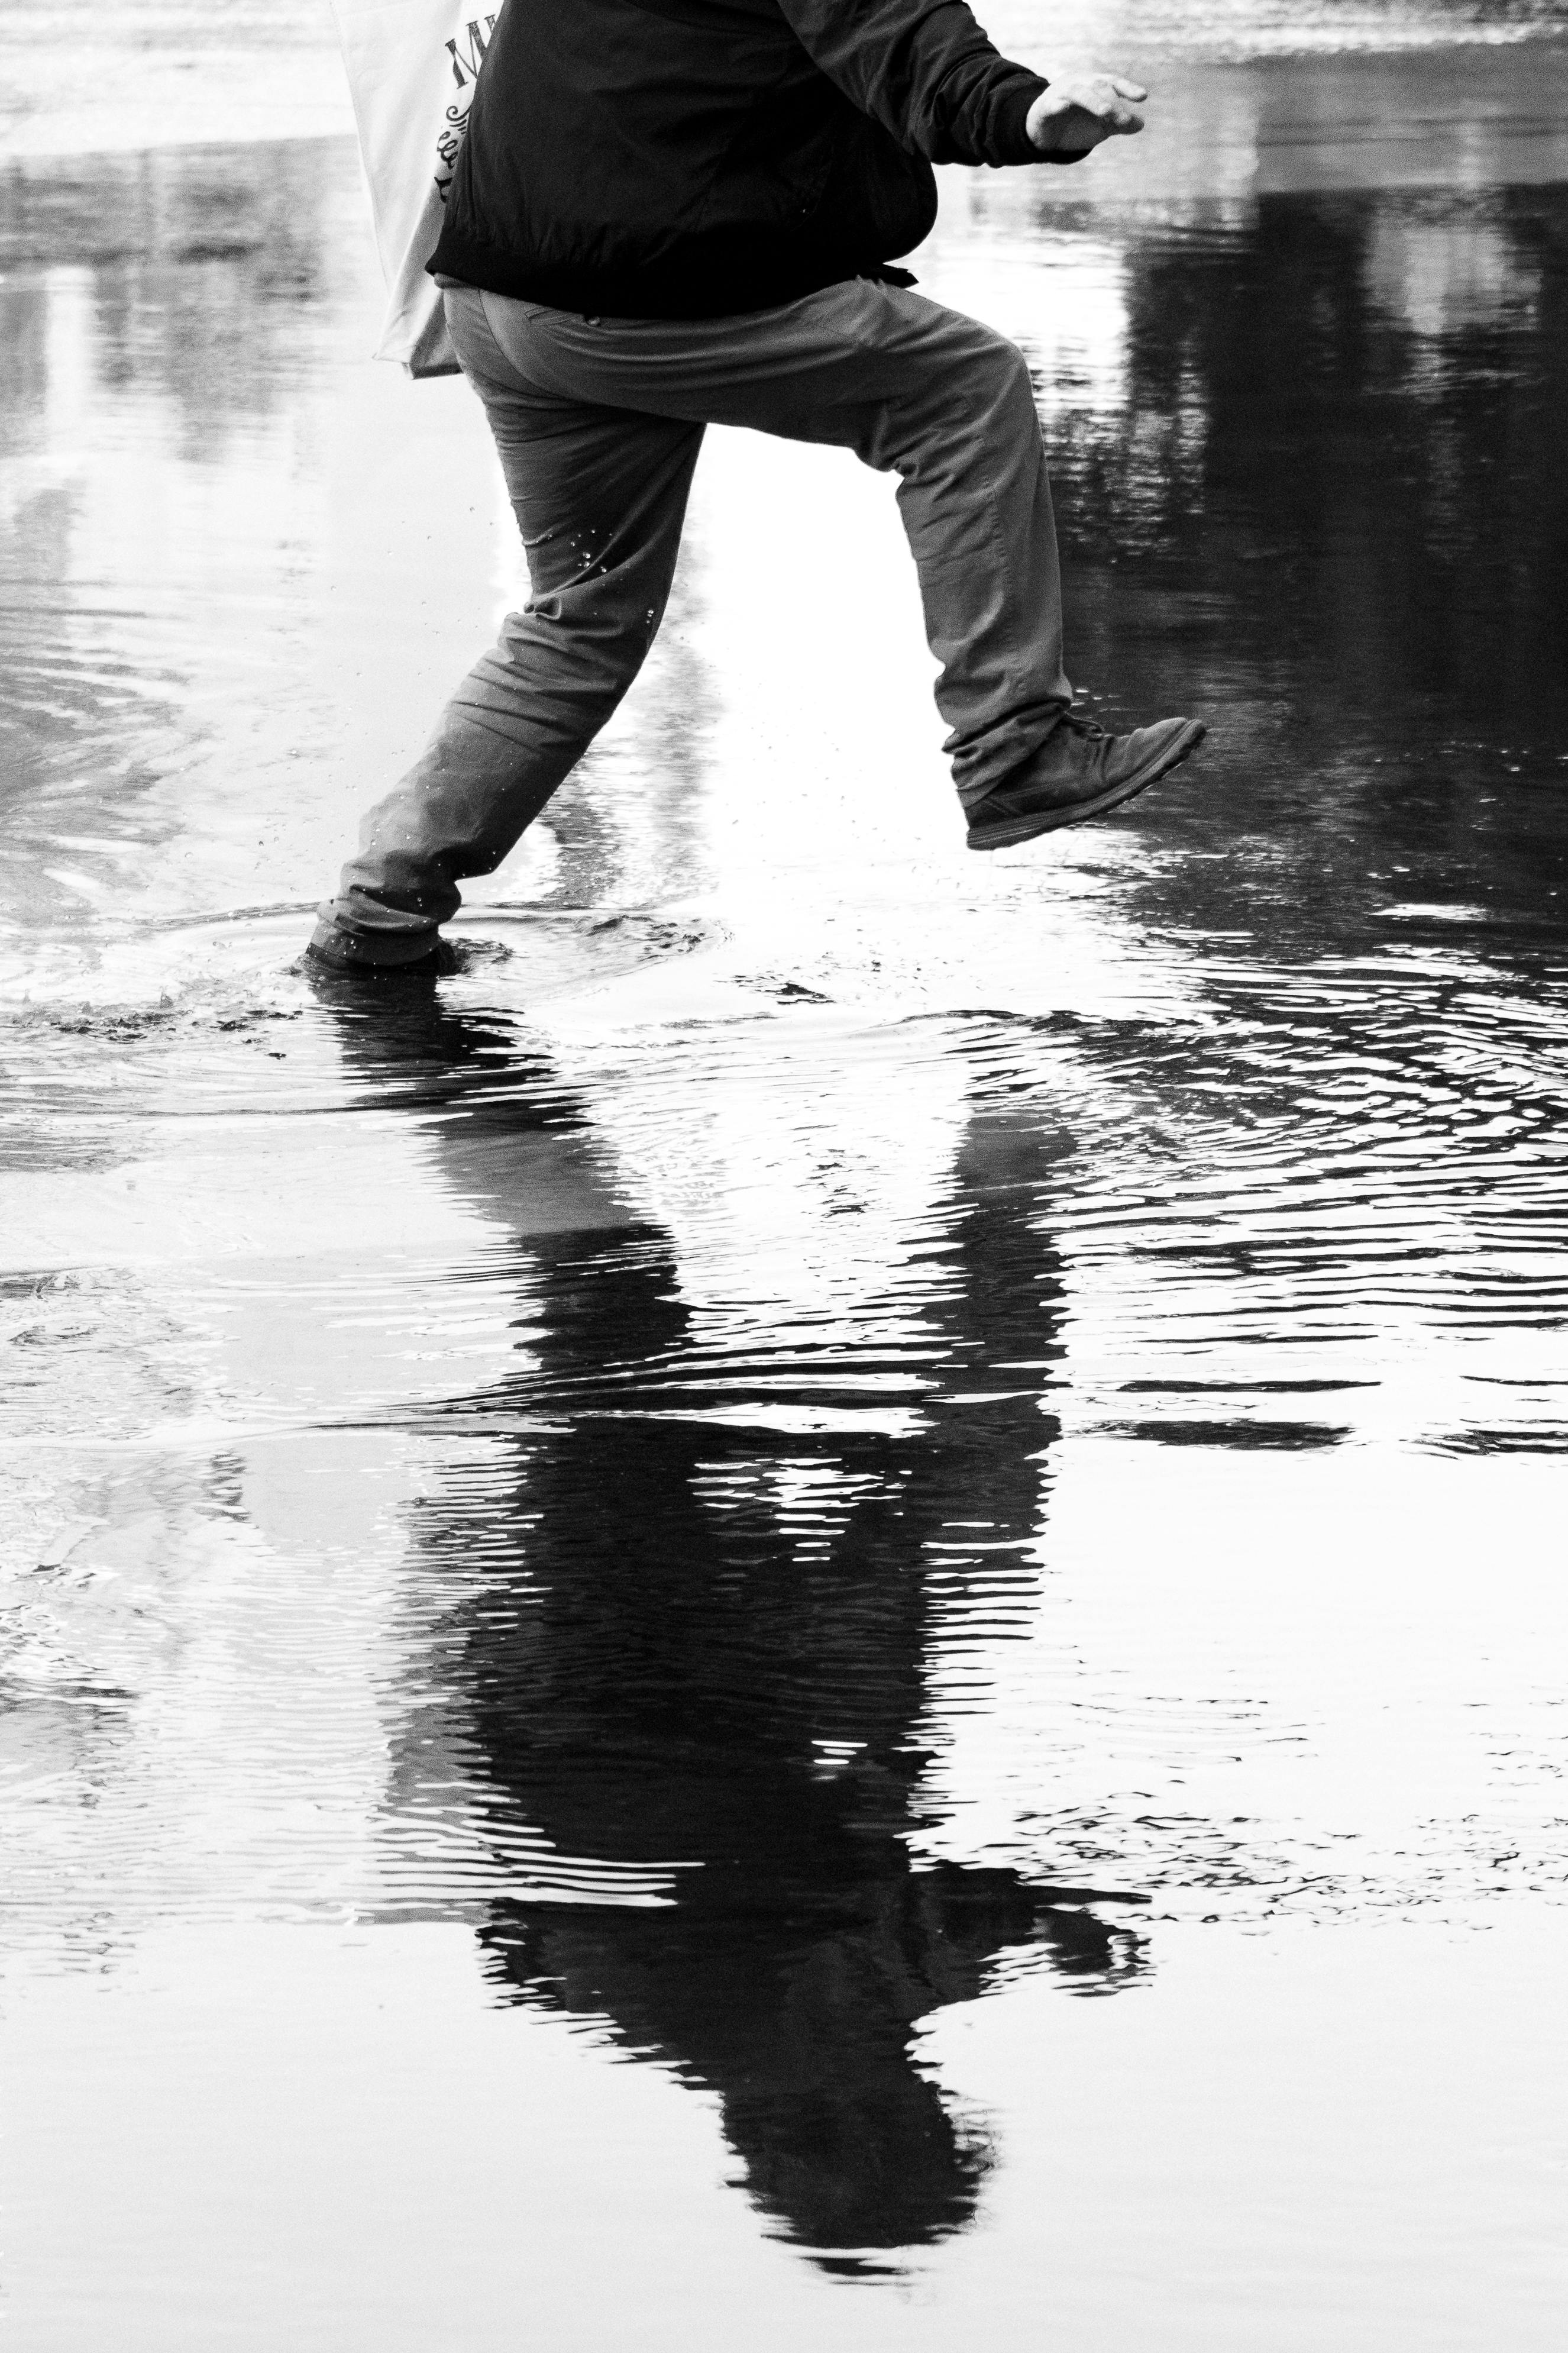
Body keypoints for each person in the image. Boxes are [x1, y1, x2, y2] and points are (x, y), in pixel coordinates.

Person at [309, 0, 1206, 975]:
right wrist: (1026, 112)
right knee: (962, 390)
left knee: (583, 617)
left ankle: (376, 915)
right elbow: (902, 40)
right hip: (641, 287)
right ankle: (1017, 748)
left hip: (505, 295)